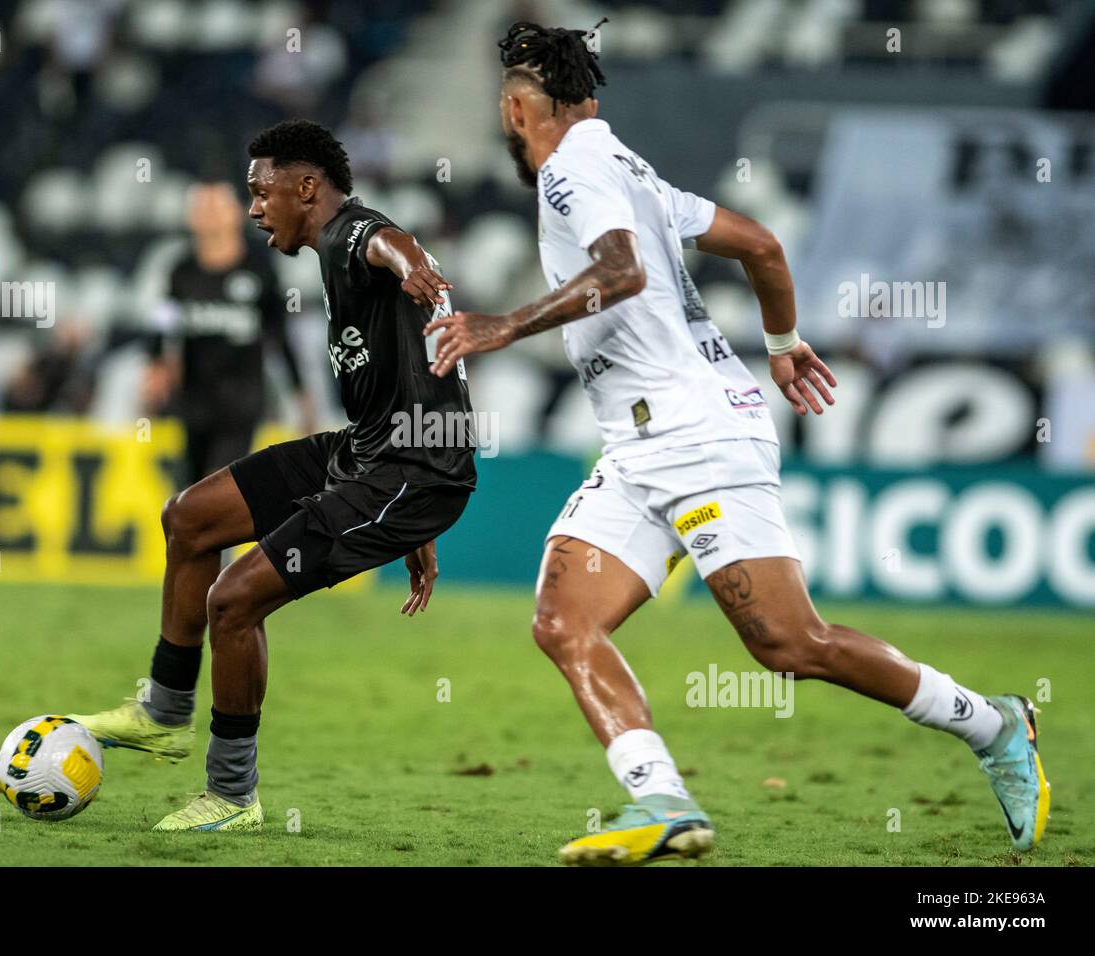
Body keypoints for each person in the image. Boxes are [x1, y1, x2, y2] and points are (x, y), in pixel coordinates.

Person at [423, 20, 1050, 865]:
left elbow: (623, 272)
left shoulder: (573, 167)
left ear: (513, 108)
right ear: (589, 98)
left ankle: (994, 723)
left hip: (698, 434)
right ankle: (663, 801)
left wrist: (506, 322)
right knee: (564, 621)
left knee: (789, 644)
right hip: (641, 446)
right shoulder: (628, 166)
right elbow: (760, 244)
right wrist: (784, 344)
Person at [70, 120, 477, 832]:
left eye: (262, 193)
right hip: (374, 452)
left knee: (234, 601)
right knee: (189, 518)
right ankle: (164, 710)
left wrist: (408, 259)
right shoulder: (331, 247)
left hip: (412, 469)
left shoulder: (353, 232)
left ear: (307, 188)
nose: (254, 207)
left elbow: (387, 242)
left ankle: (232, 795)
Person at [147, 182, 313, 485]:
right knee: (191, 489)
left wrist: (299, 392)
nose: (208, 214)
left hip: (242, 401)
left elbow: (280, 334)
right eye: (202, 207)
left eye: (216, 206)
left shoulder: (259, 269)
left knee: (218, 481)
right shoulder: (180, 271)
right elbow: (164, 321)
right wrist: (155, 362)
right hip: (195, 401)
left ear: (235, 213)